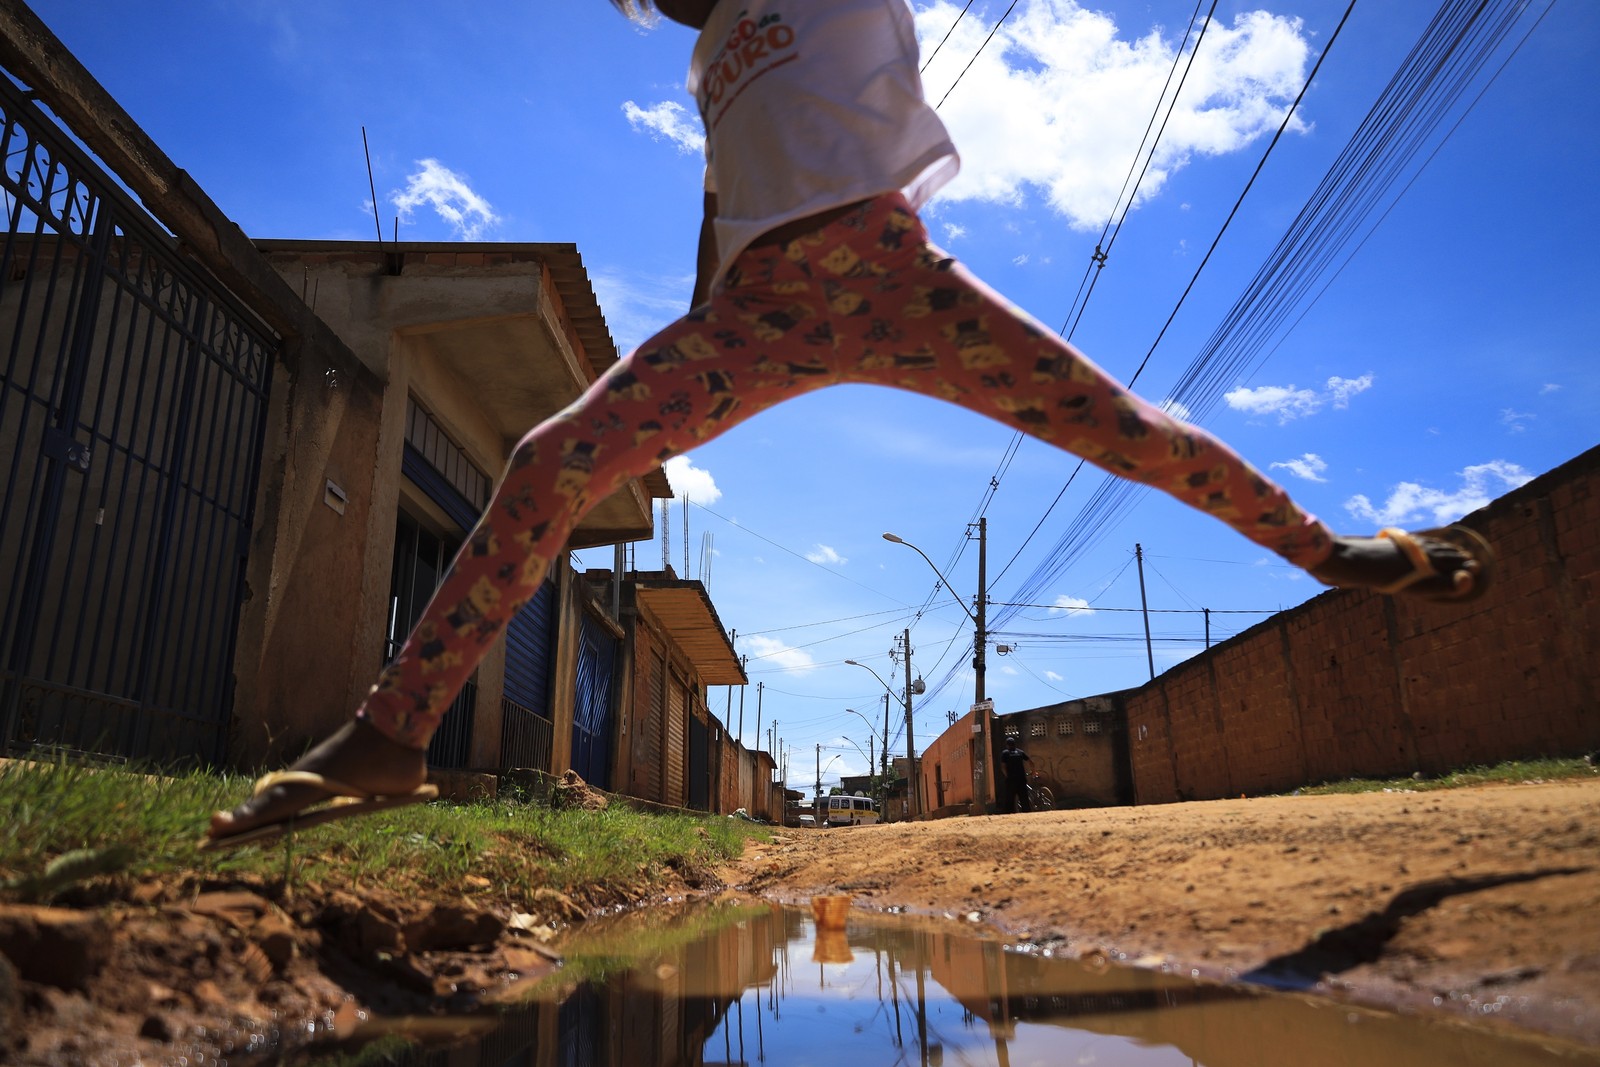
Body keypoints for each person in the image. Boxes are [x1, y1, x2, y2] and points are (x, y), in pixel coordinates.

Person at [204, 0, 1493, 848]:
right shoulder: (709, 65)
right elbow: (722, 222)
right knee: (551, 455)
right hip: (759, 313)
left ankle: (1339, 551)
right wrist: (691, 364)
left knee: (1132, 432)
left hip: (897, 279)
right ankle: (389, 735)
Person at [998, 738, 1033, 815]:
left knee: (1010, 798)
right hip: (1021, 779)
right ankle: (1027, 813)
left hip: (1011, 780)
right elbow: (1030, 762)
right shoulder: (1020, 752)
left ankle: (1010, 814)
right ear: (1014, 744)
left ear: (1007, 745)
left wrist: (1007, 775)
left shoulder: (1005, 753)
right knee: (1024, 798)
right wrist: (1032, 771)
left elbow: (1003, 766)